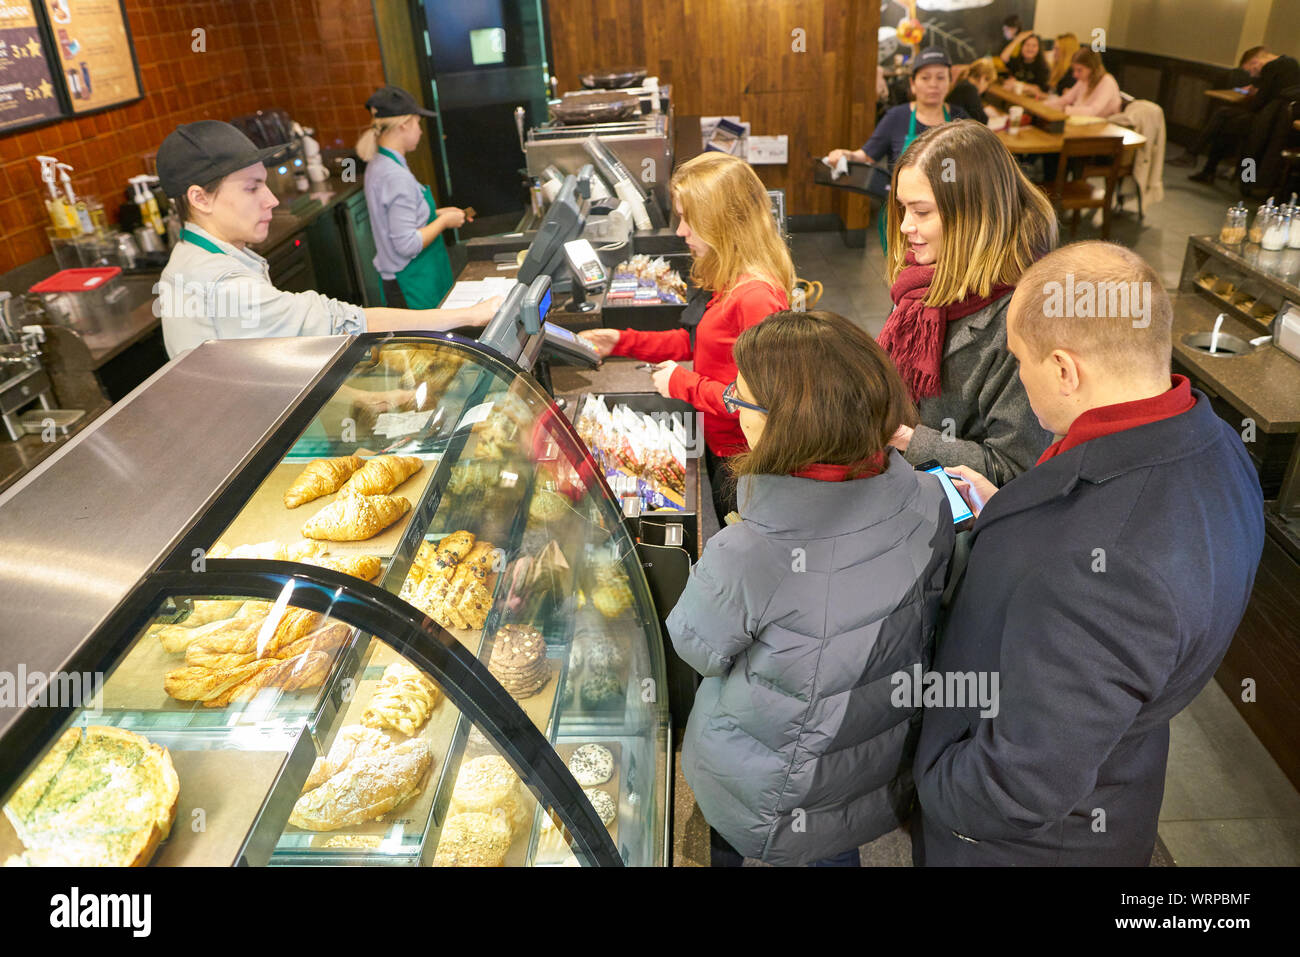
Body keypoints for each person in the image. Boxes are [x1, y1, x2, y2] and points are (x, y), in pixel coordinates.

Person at [912, 242, 1265, 866]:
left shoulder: (1103, 570)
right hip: (1119, 765)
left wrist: (934, 784)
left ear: (1066, 370)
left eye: (1021, 360)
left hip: (1028, 845)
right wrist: (1016, 510)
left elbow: (1017, 783)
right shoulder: (1212, 441)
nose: (1019, 376)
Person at [665, 310, 954, 867]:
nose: (733, 408)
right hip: (865, 765)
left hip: (767, 785)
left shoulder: (752, 552)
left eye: (740, 400)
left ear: (789, 422)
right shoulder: (927, 496)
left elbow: (696, 647)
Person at [156, 121, 499, 359]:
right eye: (251, 188)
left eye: (264, 184)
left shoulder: (192, 259)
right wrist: (470, 315)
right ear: (200, 199)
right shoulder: (222, 284)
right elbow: (342, 320)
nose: (271, 200)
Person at [578, 152, 792, 526]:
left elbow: (761, 403)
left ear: (723, 222)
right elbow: (697, 342)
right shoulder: (732, 280)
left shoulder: (756, 297)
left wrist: (681, 383)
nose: (680, 231)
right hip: (721, 446)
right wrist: (620, 341)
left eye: (689, 219)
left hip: (744, 462)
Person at [881, 120, 1055, 485]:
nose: (904, 227)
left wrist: (902, 437)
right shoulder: (922, 279)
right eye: (903, 209)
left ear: (973, 214)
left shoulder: (1022, 318)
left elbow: (1013, 468)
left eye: (922, 212)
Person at [359, 85, 472, 309]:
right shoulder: (394, 176)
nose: (420, 131)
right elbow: (407, 244)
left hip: (409, 279)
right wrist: (443, 222)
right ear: (404, 125)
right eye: (418, 124)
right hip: (411, 285)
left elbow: (400, 217)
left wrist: (437, 212)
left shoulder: (381, 162)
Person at [827, 47, 968, 175]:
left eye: (940, 77)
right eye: (925, 78)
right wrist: (845, 155)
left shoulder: (960, 118)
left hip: (948, 203)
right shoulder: (896, 116)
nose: (933, 84)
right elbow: (866, 156)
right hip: (901, 202)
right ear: (913, 84)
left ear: (949, 82)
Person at [1188, 45, 1300, 184]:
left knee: (1223, 119)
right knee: (1224, 120)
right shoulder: (1289, 64)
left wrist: (1253, 93)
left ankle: (1199, 159)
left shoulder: (1271, 67)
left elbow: (1259, 103)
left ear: (1255, 62)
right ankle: (1203, 162)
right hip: (1277, 124)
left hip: (1267, 124)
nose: (1252, 75)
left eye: (1251, 71)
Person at [1045, 49, 1122, 117]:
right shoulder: (1084, 80)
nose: (1075, 74)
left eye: (1079, 70)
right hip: (1086, 123)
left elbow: (1093, 111)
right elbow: (1065, 99)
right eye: (1074, 70)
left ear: (1092, 68)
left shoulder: (1107, 81)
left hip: (1103, 128)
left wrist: (1065, 110)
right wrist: (1044, 105)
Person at [947, 57, 997, 124]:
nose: (986, 88)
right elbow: (982, 121)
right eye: (988, 84)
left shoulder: (963, 83)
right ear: (983, 78)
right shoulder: (969, 89)